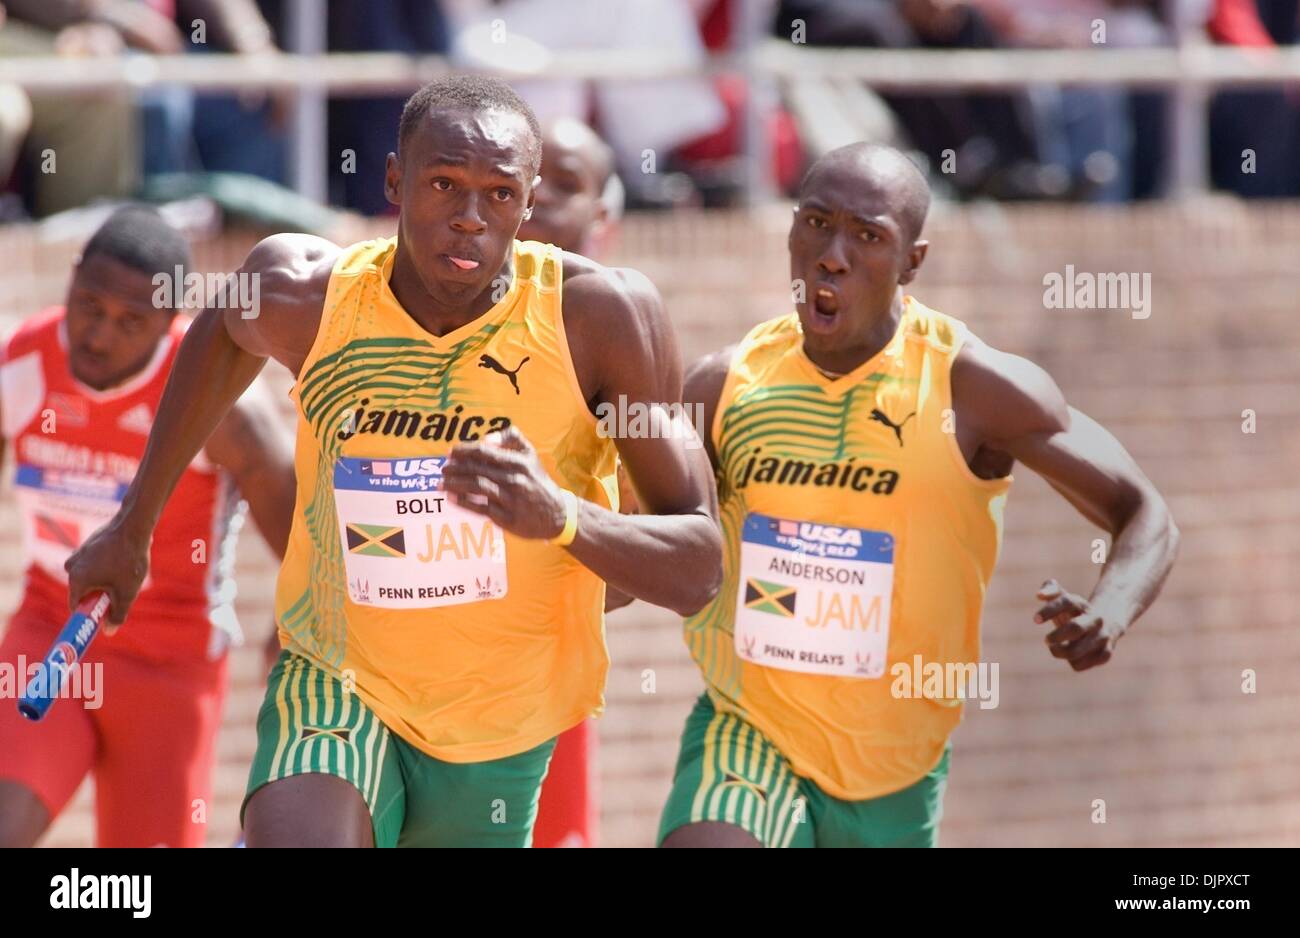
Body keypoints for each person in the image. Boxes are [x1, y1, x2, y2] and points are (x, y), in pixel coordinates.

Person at [64, 75, 723, 848]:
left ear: (529, 202)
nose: (470, 219)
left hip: (498, 725)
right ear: (393, 180)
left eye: (501, 195)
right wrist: (132, 526)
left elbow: (698, 566)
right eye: (443, 184)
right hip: (338, 680)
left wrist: (562, 518)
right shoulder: (312, 295)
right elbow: (222, 324)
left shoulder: (603, 319)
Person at [658, 143, 1180, 847]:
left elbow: (1142, 511)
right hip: (750, 731)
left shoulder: (975, 390)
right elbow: (649, 540)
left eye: (868, 236)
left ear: (913, 262)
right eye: (815, 223)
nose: (832, 256)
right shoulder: (723, 386)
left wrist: (1111, 610)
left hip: (896, 764)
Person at [0, 205, 296, 847]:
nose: (99, 336)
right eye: (89, 306)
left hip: (170, 660)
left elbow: (305, 535)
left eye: (130, 322)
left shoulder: (220, 404)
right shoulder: (20, 363)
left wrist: (297, 624)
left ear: (171, 326)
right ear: (71, 280)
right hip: (51, 629)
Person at [516, 116, 621, 849]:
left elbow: (669, 530)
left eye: (568, 185)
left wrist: (545, 599)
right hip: (397, 653)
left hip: (541, 664)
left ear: (603, 217)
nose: (544, 200)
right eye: (533, 181)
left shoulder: (617, 330)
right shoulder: (424, 306)